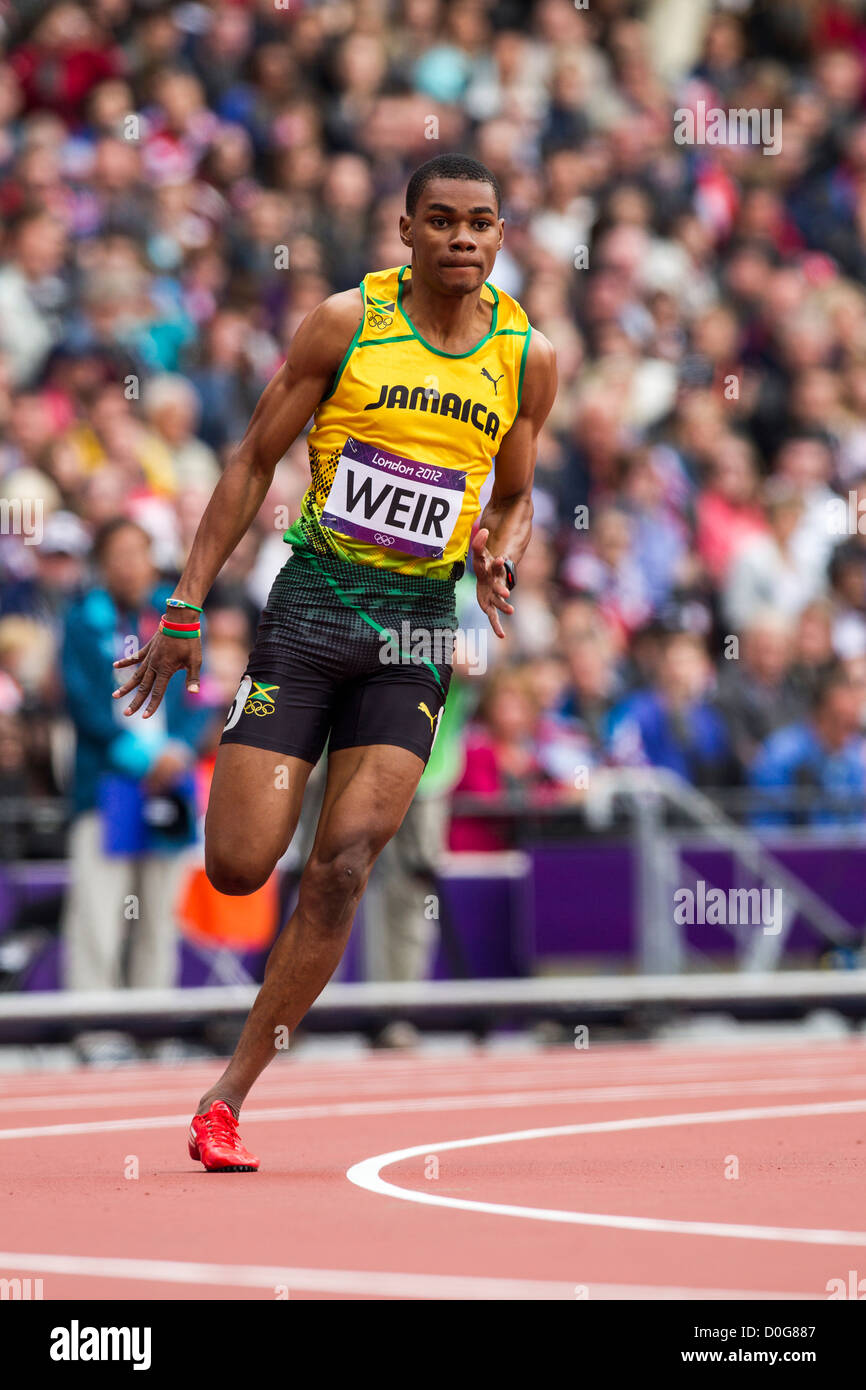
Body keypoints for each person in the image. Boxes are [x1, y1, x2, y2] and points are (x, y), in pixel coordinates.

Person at [112, 154, 557, 1171]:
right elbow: (249, 460)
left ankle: (228, 1096)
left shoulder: (525, 354)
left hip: (415, 628)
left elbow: (517, 491)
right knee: (238, 863)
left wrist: (502, 550)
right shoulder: (345, 323)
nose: (460, 238)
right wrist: (184, 603)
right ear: (402, 230)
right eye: (438, 220)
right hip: (312, 610)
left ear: (499, 235)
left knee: (347, 862)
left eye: (478, 223)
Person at [61, 518, 211, 1001]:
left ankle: (152, 1018)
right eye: (117, 555)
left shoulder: (178, 618)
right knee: (98, 912)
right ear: (102, 565)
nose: (128, 566)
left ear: (152, 558)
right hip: (105, 784)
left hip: (169, 781)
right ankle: (93, 1020)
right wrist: (137, 757)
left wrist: (179, 749)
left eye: (137, 553)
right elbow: (81, 700)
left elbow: (197, 692)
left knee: (158, 912)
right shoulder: (83, 621)